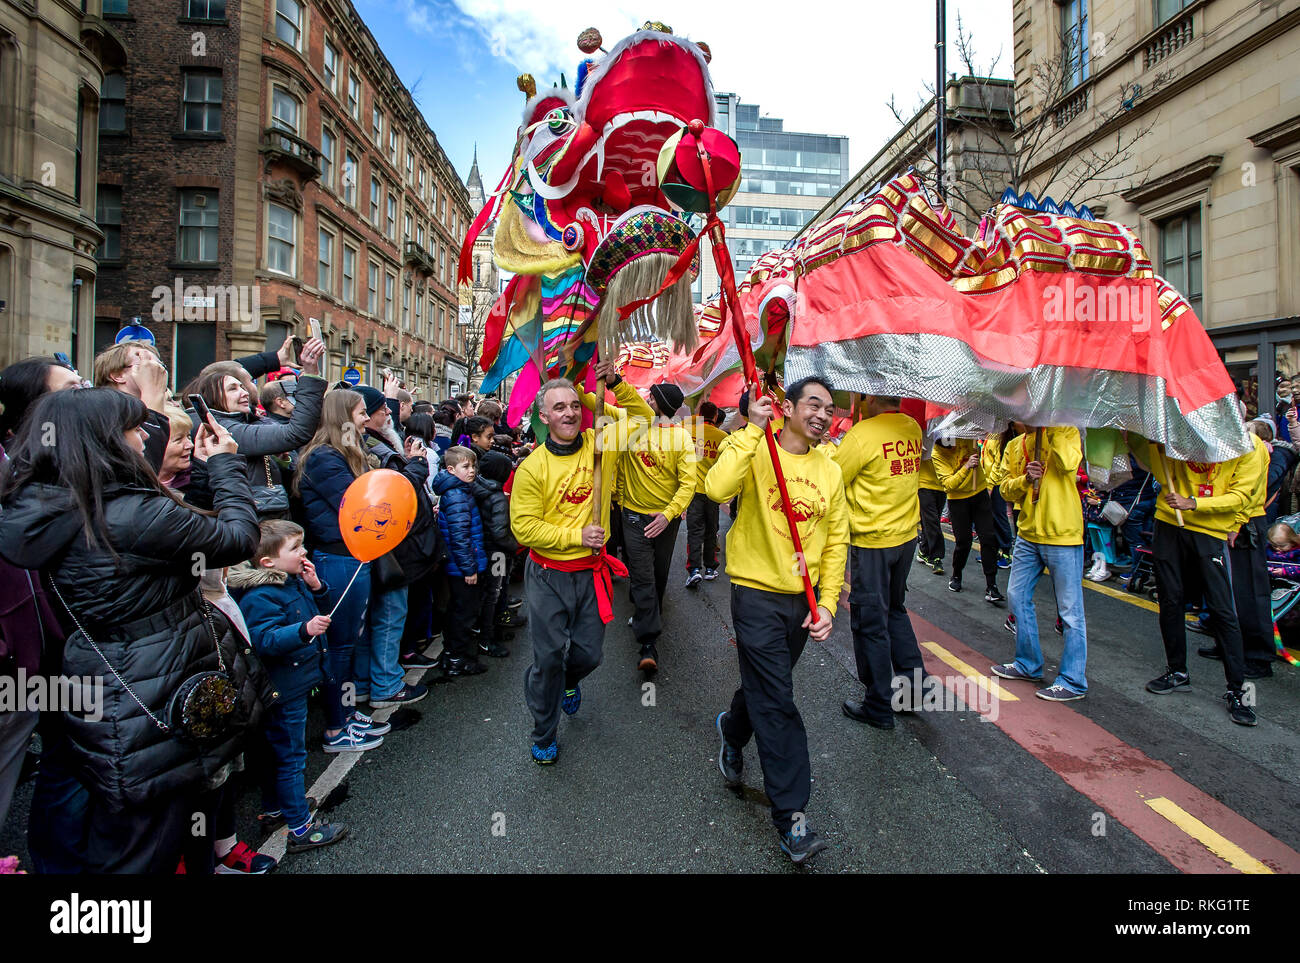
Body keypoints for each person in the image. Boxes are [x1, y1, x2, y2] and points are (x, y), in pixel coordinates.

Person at [0, 388, 269, 873]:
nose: (143, 435)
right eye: (131, 428)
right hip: (154, 685)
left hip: (114, 676)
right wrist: (227, 466)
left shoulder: (63, 504)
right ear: (100, 440)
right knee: (143, 849)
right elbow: (236, 539)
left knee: (140, 834)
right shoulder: (128, 512)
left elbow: (180, 533)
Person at [707, 378, 848, 865]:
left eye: (830, 409)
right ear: (787, 407)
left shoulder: (830, 469)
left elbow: (835, 540)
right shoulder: (754, 448)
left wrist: (826, 603)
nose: (824, 415)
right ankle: (793, 819)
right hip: (755, 595)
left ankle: (732, 729)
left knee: (766, 687)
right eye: (814, 404)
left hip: (800, 604)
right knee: (779, 701)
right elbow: (715, 487)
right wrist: (750, 427)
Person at [509, 368, 633, 765]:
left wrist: (611, 385)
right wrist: (575, 537)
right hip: (548, 575)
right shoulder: (531, 468)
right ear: (543, 417)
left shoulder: (602, 445)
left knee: (590, 655)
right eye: (558, 407)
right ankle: (544, 731)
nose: (569, 413)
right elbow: (524, 527)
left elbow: (646, 421)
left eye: (575, 405)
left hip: (592, 574)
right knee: (546, 659)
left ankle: (569, 682)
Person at [230, 520, 349, 853]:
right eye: (295, 548)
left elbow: (321, 614)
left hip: (296, 681)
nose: (304, 552)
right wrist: (303, 630)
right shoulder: (261, 595)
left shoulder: (292, 581)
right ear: (267, 561)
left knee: (278, 753)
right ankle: (301, 828)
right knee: (290, 757)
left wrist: (316, 587)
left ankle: (276, 808)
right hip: (286, 688)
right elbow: (264, 639)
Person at [1128, 434, 1258, 725]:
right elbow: (1162, 473)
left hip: (1210, 531)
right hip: (1169, 521)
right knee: (1170, 600)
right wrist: (1149, 442)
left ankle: (1238, 691)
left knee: (1223, 610)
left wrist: (1194, 503)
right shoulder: (1183, 436)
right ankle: (1177, 671)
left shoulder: (1250, 445)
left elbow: (1242, 495)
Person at [295, 389, 390, 752]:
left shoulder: (340, 455)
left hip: (351, 559)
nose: (368, 419)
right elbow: (360, 507)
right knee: (339, 648)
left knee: (349, 644)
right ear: (343, 417)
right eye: (362, 412)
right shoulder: (324, 458)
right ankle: (336, 728)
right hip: (338, 562)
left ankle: (348, 714)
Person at [833, 395, 927, 729]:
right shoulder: (911, 427)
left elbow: (834, 475)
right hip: (905, 537)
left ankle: (878, 704)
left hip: (873, 539)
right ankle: (912, 692)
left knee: (870, 621)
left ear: (869, 397)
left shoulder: (863, 434)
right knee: (895, 611)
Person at [600, 378, 695, 673]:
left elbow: (688, 482)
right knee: (642, 576)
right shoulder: (631, 423)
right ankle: (648, 642)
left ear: (657, 404)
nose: (645, 400)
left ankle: (647, 611)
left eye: (650, 398)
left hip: (665, 520)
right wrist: (579, 381)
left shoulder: (682, 438)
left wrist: (668, 514)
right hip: (632, 516)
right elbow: (598, 406)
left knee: (659, 574)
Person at [990, 426, 1088, 701]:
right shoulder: (1015, 445)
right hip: (1028, 533)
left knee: (1070, 610)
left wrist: (1052, 429)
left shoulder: (1066, 431)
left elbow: (1070, 465)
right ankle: (1028, 664)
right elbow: (1005, 490)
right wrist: (1024, 479)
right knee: (1016, 595)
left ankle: (1073, 680)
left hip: (1063, 535)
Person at [351, 384, 434, 703]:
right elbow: (395, 493)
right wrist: (415, 465)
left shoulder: (381, 439)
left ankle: (367, 683)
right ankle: (384, 683)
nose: (389, 411)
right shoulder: (371, 449)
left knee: (380, 617)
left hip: (394, 544)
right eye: (377, 408)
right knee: (388, 616)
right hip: (387, 546)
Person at [188, 337, 327, 517]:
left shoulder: (245, 419)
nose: (245, 391)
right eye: (233, 388)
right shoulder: (219, 429)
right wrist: (310, 371)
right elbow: (295, 433)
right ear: (213, 395)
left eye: (243, 386)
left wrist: (281, 461)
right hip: (251, 522)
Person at [1199, 429, 1275, 679]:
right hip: (1225, 520)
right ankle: (1229, 646)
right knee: (1227, 590)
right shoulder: (1226, 440)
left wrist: (1237, 523)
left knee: (1250, 592)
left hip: (1246, 521)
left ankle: (1259, 656)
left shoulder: (1250, 443)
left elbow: (1248, 491)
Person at [434, 446, 490, 676]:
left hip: (462, 564)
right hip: (463, 566)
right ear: (450, 469)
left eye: (473, 466)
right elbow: (459, 536)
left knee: (460, 611)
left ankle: (454, 655)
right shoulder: (456, 496)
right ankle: (458, 658)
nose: (472, 471)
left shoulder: (458, 490)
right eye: (465, 467)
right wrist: (469, 568)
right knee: (464, 612)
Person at [933, 437, 1005, 603]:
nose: (952, 445)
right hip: (958, 500)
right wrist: (966, 467)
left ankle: (991, 585)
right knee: (964, 541)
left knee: (988, 538)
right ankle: (957, 573)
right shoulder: (937, 453)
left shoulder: (966, 435)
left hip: (979, 493)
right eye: (947, 443)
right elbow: (949, 485)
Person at [92, 340, 172, 471]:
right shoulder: (102, 416)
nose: (157, 370)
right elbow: (145, 465)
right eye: (146, 364)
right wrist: (152, 392)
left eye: (159, 365)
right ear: (118, 375)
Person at [473, 449, 520, 658]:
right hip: (499, 554)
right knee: (494, 591)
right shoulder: (498, 498)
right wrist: (514, 546)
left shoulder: (478, 487)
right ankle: (487, 638)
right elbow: (500, 533)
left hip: (484, 549)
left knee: (489, 592)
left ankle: (495, 624)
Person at [684, 400, 727, 586]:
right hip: (713, 491)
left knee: (694, 531)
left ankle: (694, 569)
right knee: (711, 530)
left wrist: (698, 416)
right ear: (717, 417)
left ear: (700, 415)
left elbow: (684, 422)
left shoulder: (689, 432)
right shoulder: (723, 437)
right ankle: (710, 568)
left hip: (693, 491)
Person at [916, 450, 946, 575]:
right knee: (932, 521)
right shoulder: (923, 436)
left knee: (930, 521)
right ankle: (936, 557)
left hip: (941, 484)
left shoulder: (947, 437)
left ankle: (923, 550)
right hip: (924, 483)